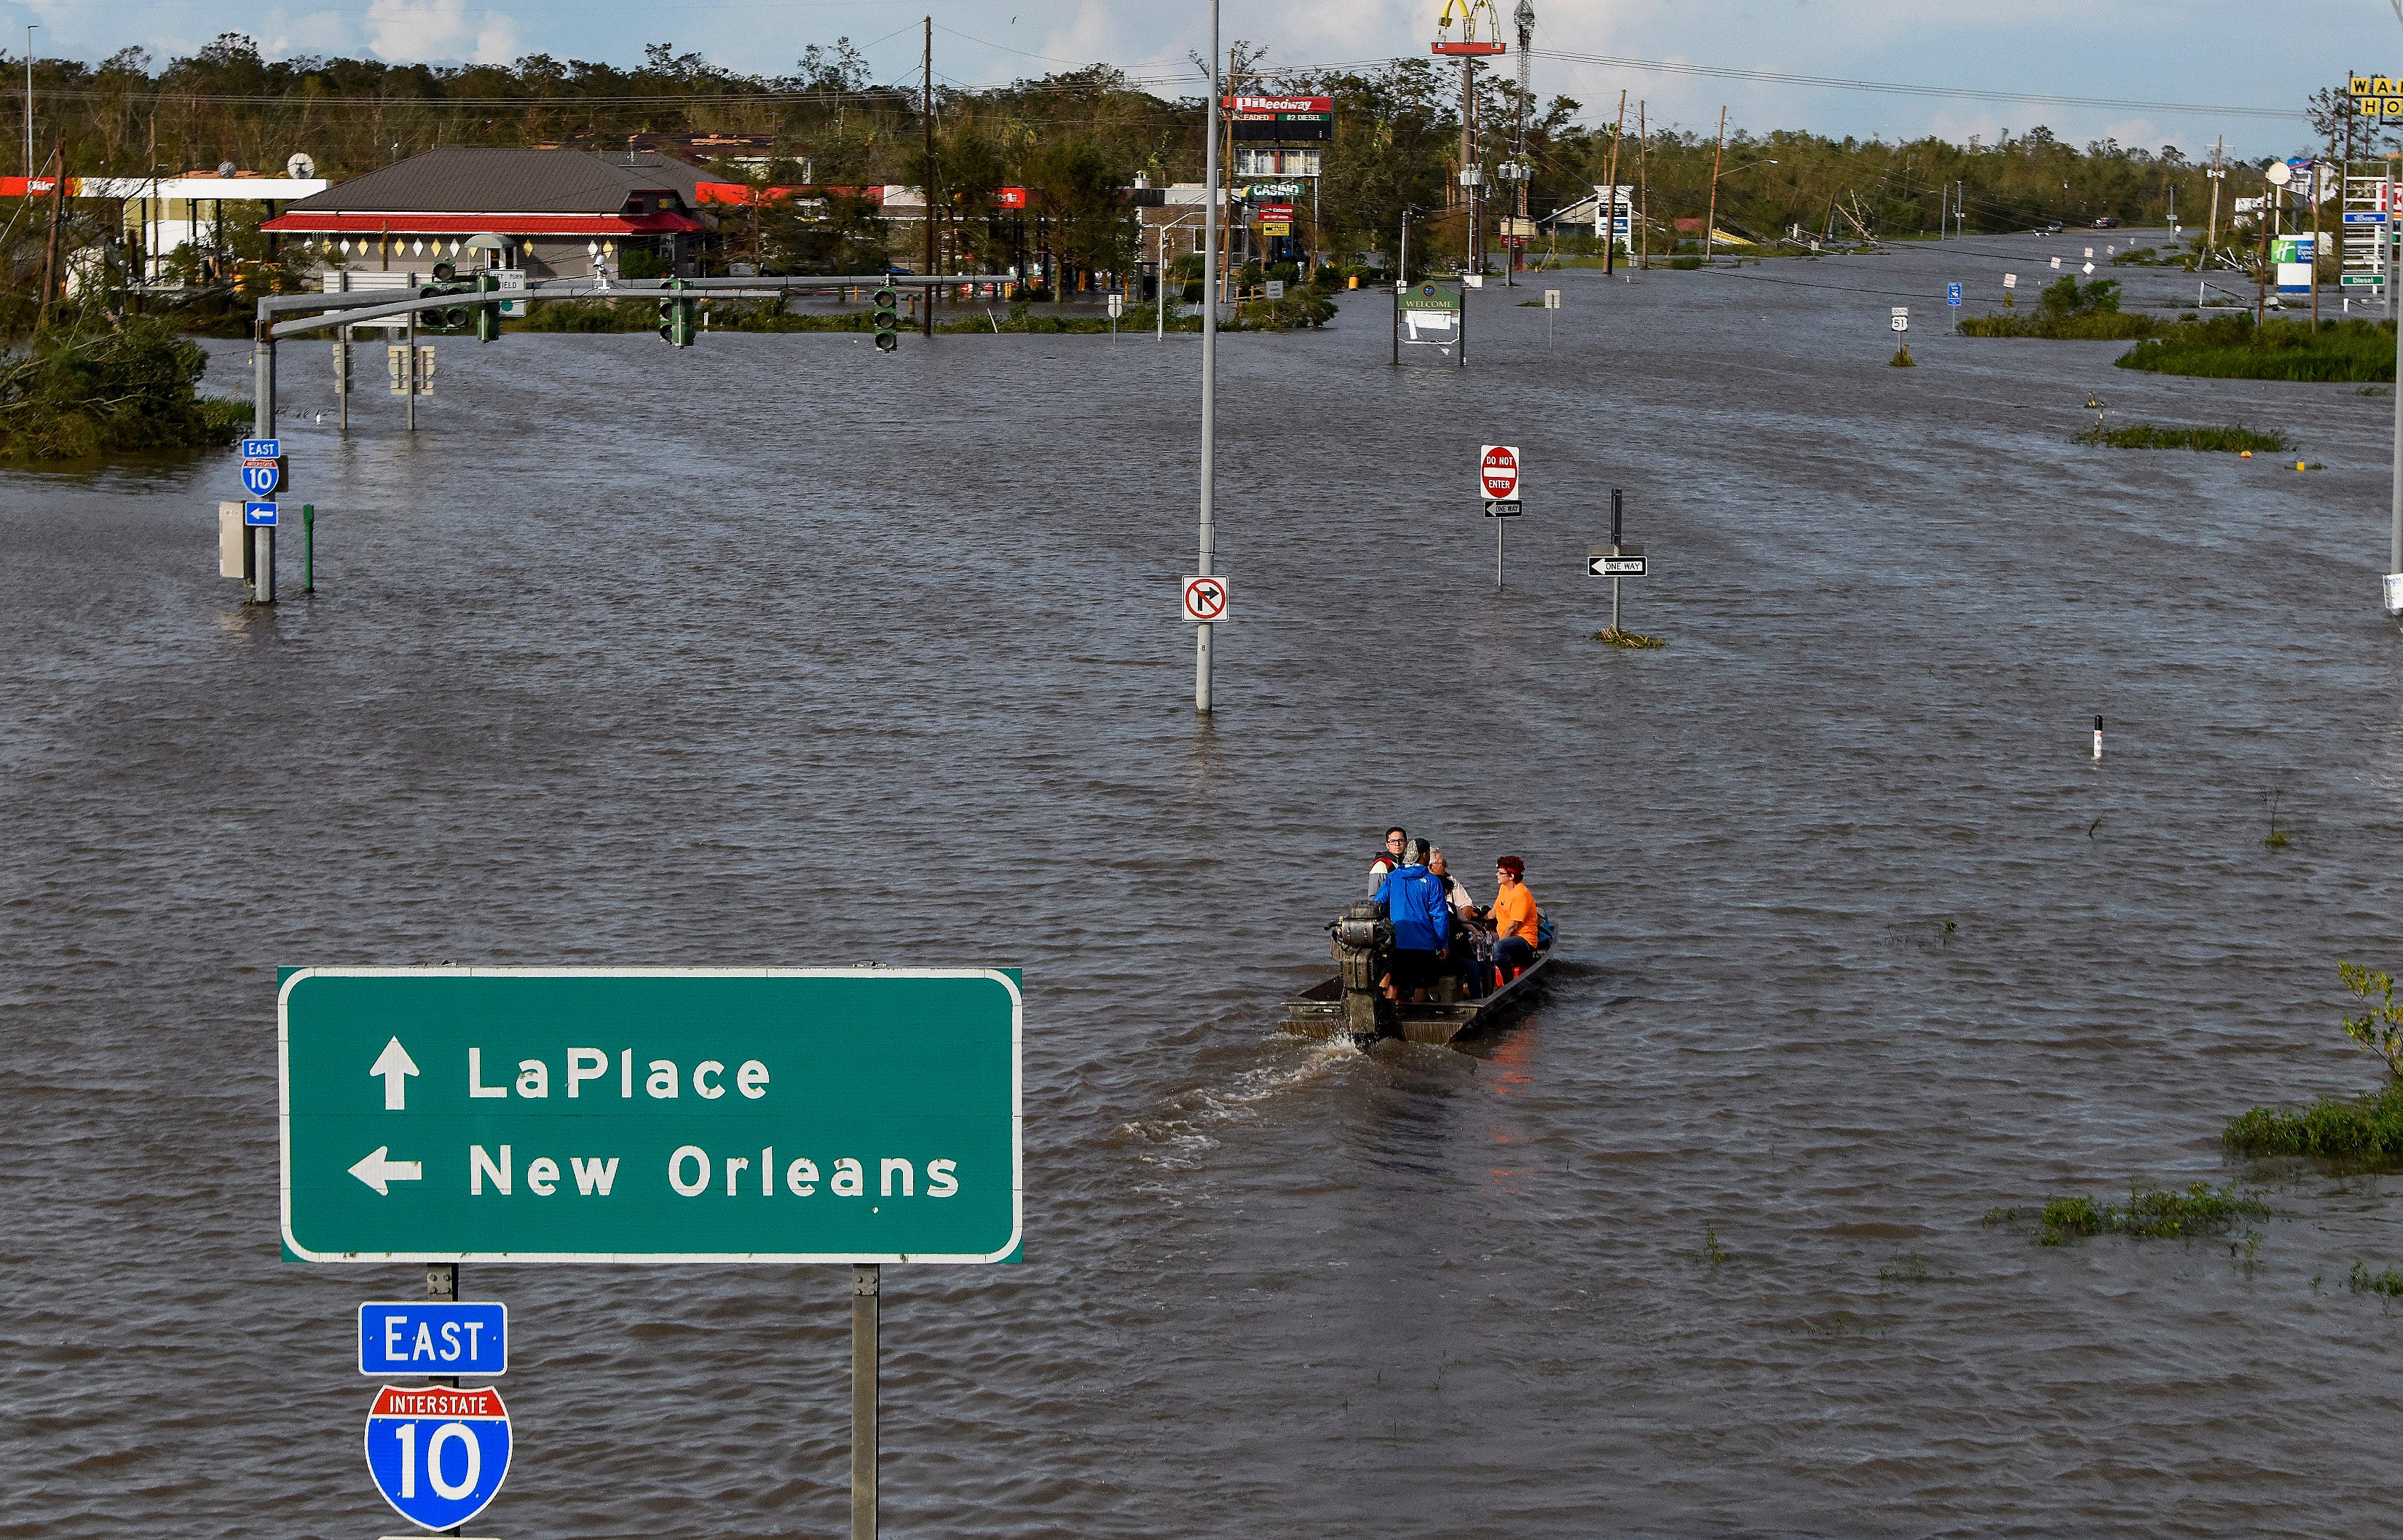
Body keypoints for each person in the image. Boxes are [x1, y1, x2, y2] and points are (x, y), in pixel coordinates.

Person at [1372, 839, 1451, 1002]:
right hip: (1424, 944)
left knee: (1395, 984)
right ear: (1423, 855)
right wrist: (1442, 943)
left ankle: (1389, 1017)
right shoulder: (1432, 882)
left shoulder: (1393, 877)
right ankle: (1417, 1018)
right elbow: (1439, 915)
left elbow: (1378, 904)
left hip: (1398, 942)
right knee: (1421, 985)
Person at [1427, 849, 1484, 998]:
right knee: (1472, 966)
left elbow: (1467, 923)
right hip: (1435, 953)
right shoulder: (1430, 908)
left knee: (1479, 961)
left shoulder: (1452, 907)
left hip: (1452, 948)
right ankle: (1477, 999)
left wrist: (1481, 934)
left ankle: (1482, 996)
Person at [1489, 856, 1540, 984]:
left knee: (1498, 947)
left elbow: (1513, 926)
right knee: (1478, 940)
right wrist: (1476, 917)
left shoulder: (1521, 894)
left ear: (1511, 876)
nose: (1497, 875)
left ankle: (1508, 982)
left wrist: (1495, 947)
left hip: (1525, 941)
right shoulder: (1504, 888)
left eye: (1501, 873)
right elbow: (1494, 912)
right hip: (1506, 936)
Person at [1368, 826, 1408, 891]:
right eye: (1393, 841)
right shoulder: (1381, 865)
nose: (1397, 844)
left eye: (1401, 841)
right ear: (1387, 845)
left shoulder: (1408, 864)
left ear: (1406, 843)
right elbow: (1373, 895)